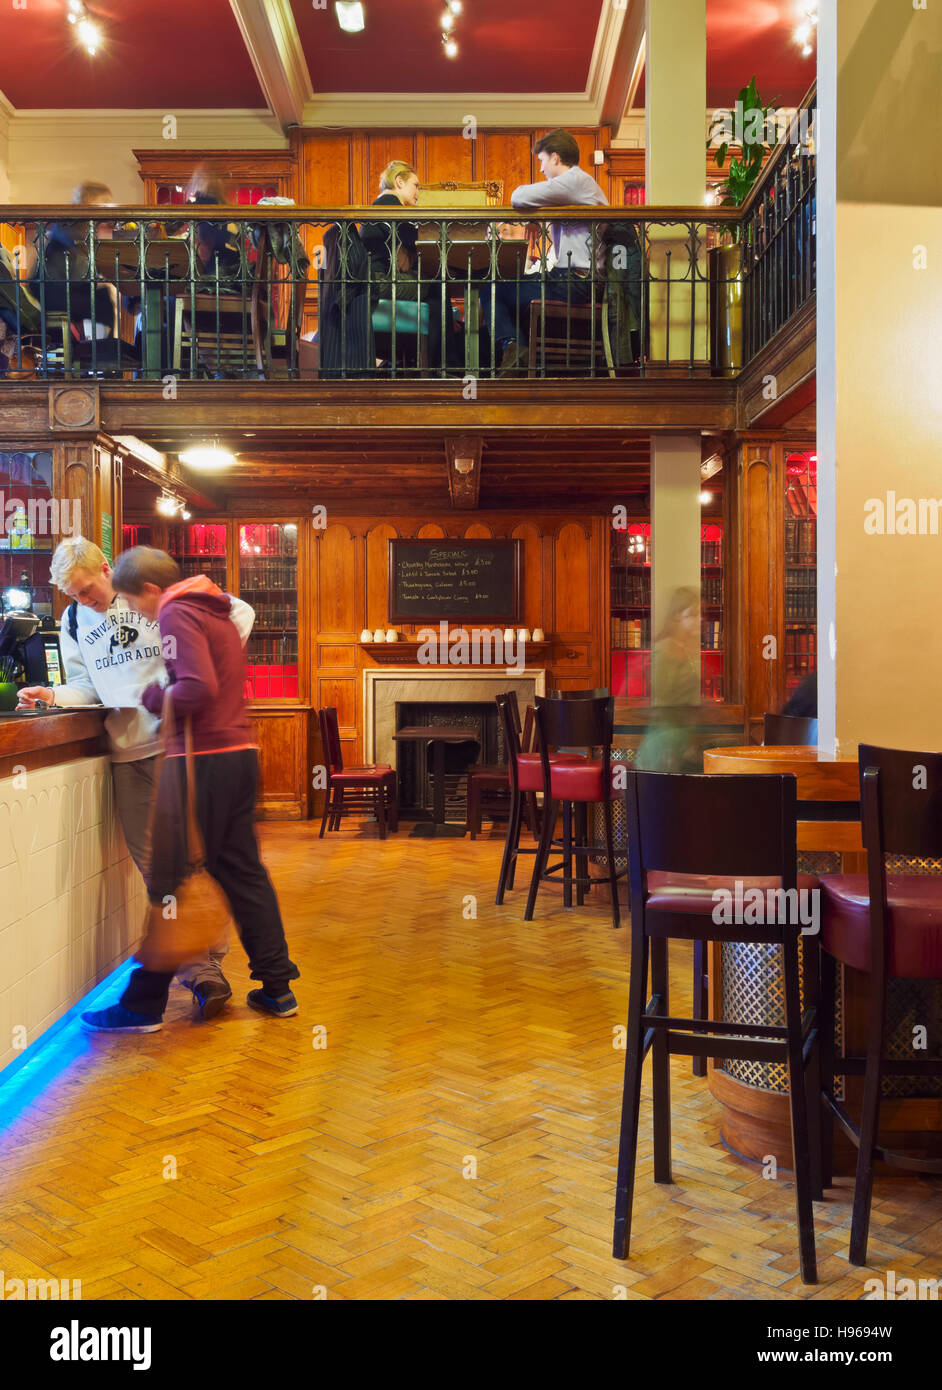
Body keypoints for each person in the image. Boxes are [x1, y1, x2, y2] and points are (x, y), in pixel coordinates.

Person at [17, 537, 254, 1018]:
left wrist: (191, 678)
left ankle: (205, 972)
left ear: (105, 569)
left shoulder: (146, 594)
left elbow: (241, 614)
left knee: (193, 862)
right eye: (75, 596)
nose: (85, 601)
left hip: (176, 747)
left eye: (87, 590)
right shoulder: (73, 620)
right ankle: (196, 974)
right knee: (155, 872)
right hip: (125, 755)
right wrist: (55, 695)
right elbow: (87, 685)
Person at [81, 548, 298, 1034]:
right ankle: (277, 987)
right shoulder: (212, 608)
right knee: (243, 872)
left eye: (136, 603)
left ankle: (141, 1007)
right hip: (237, 754)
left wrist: (156, 695)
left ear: (152, 591)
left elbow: (196, 688)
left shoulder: (177, 610)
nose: (139, 613)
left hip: (199, 763)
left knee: (168, 883)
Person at [482, 129, 609, 375]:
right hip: (576, 278)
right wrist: (536, 217)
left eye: (541, 160)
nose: (541, 169)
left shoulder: (574, 181)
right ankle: (518, 356)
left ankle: (514, 352)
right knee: (506, 294)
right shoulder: (578, 185)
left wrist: (534, 209)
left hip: (575, 280)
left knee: (492, 290)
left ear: (555, 158)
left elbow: (518, 196)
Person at [358, 160, 461, 371]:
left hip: (375, 279)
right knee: (437, 286)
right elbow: (415, 239)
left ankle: (434, 362)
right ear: (399, 182)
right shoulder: (389, 204)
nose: (418, 192)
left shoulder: (381, 206)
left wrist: (407, 253)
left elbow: (407, 246)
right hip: (380, 282)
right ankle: (442, 364)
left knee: (434, 287)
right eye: (416, 185)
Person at [27, 182, 120, 338]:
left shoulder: (72, 224)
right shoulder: (76, 228)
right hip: (55, 290)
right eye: (104, 203)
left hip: (53, 287)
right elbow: (81, 267)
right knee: (104, 302)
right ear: (89, 203)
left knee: (104, 297)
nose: (107, 209)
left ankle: (90, 348)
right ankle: (97, 353)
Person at [635, 586, 702, 774]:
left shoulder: (684, 649)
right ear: (676, 617)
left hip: (677, 740)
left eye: (699, 614)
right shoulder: (665, 650)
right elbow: (663, 700)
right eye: (692, 615)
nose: (699, 620)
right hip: (664, 745)